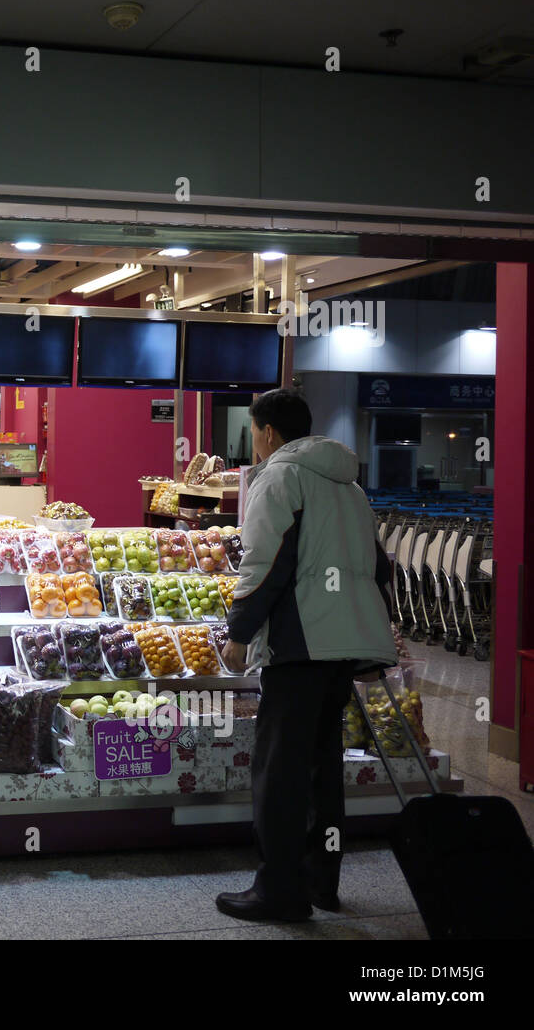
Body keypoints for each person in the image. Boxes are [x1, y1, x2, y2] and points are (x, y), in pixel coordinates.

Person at [216, 388, 396, 922]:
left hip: (300, 645)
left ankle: (279, 891)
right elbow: (379, 567)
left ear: (267, 432)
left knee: (279, 769)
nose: (254, 444)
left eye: (253, 433)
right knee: (322, 766)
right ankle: (322, 881)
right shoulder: (351, 487)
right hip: (343, 644)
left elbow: (264, 564)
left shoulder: (279, 477)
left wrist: (239, 631)